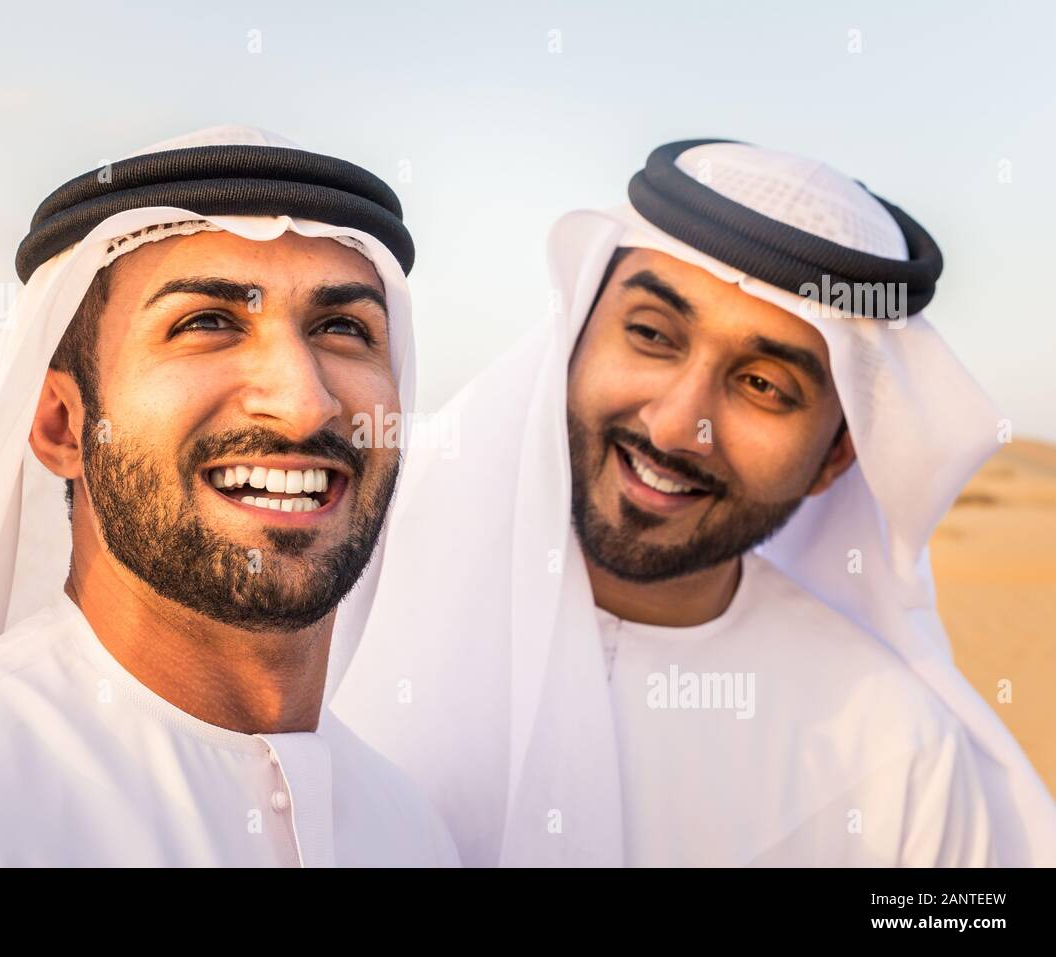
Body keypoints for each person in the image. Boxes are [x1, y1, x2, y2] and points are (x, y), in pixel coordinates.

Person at [332, 138, 1056, 866]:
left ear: (835, 456)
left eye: (765, 385)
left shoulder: (898, 753)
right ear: (574, 339)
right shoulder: (330, 603)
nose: (679, 424)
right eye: (651, 335)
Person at [0, 126, 458, 867]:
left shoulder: (411, 830)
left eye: (344, 328)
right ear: (63, 425)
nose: (304, 403)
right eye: (207, 323)